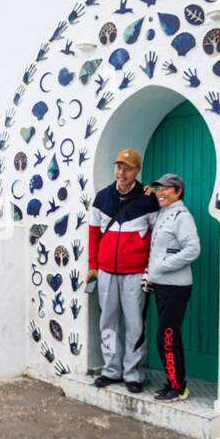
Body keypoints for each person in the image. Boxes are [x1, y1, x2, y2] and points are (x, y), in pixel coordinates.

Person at [88, 149, 159, 393]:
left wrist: (150, 268)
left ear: (137, 171)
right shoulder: (102, 198)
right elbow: (94, 235)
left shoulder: (148, 199)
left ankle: (133, 374)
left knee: (135, 323)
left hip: (135, 272)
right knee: (107, 321)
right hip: (106, 270)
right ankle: (111, 370)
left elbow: (156, 237)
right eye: (118, 167)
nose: (122, 172)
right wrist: (92, 266)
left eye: (127, 168)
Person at [145, 173, 201, 401]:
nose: (160, 192)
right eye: (158, 188)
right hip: (162, 286)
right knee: (171, 337)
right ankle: (174, 383)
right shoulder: (163, 214)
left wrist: (163, 266)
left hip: (176, 287)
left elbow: (193, 249)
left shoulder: (181, 216)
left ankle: (178, 388)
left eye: (165, 188)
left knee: (166, 338)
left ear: (178, 191)